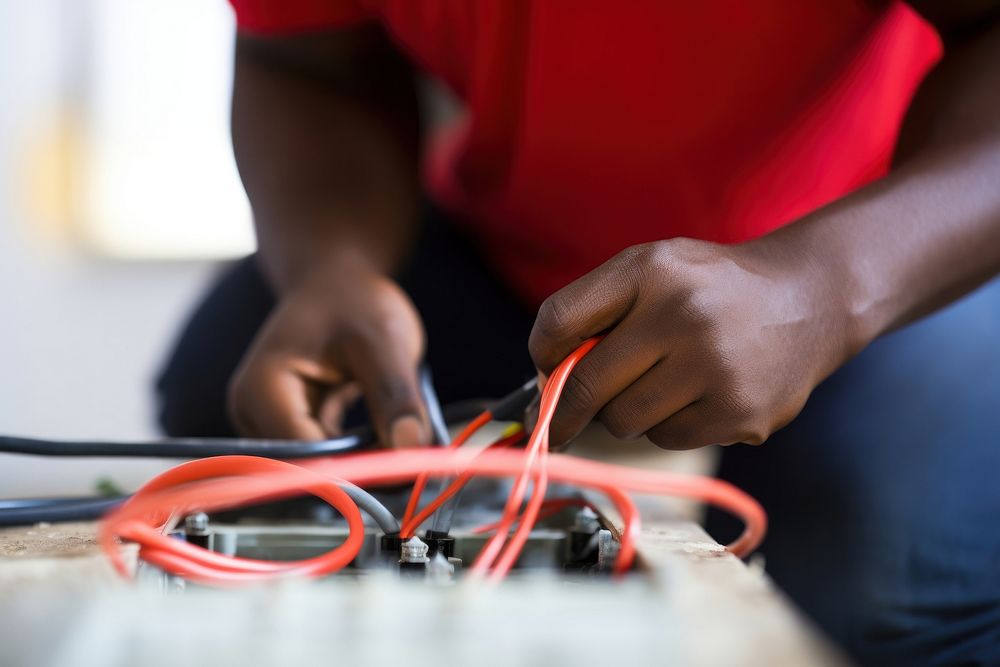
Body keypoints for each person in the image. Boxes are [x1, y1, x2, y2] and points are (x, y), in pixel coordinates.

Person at [157, 2, 1000, 663]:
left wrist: (828, 287)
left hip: (875, 250)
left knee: (882, 576)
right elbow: (307, 59)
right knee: (236, 395)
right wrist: (330, 266)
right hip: (505, 250)